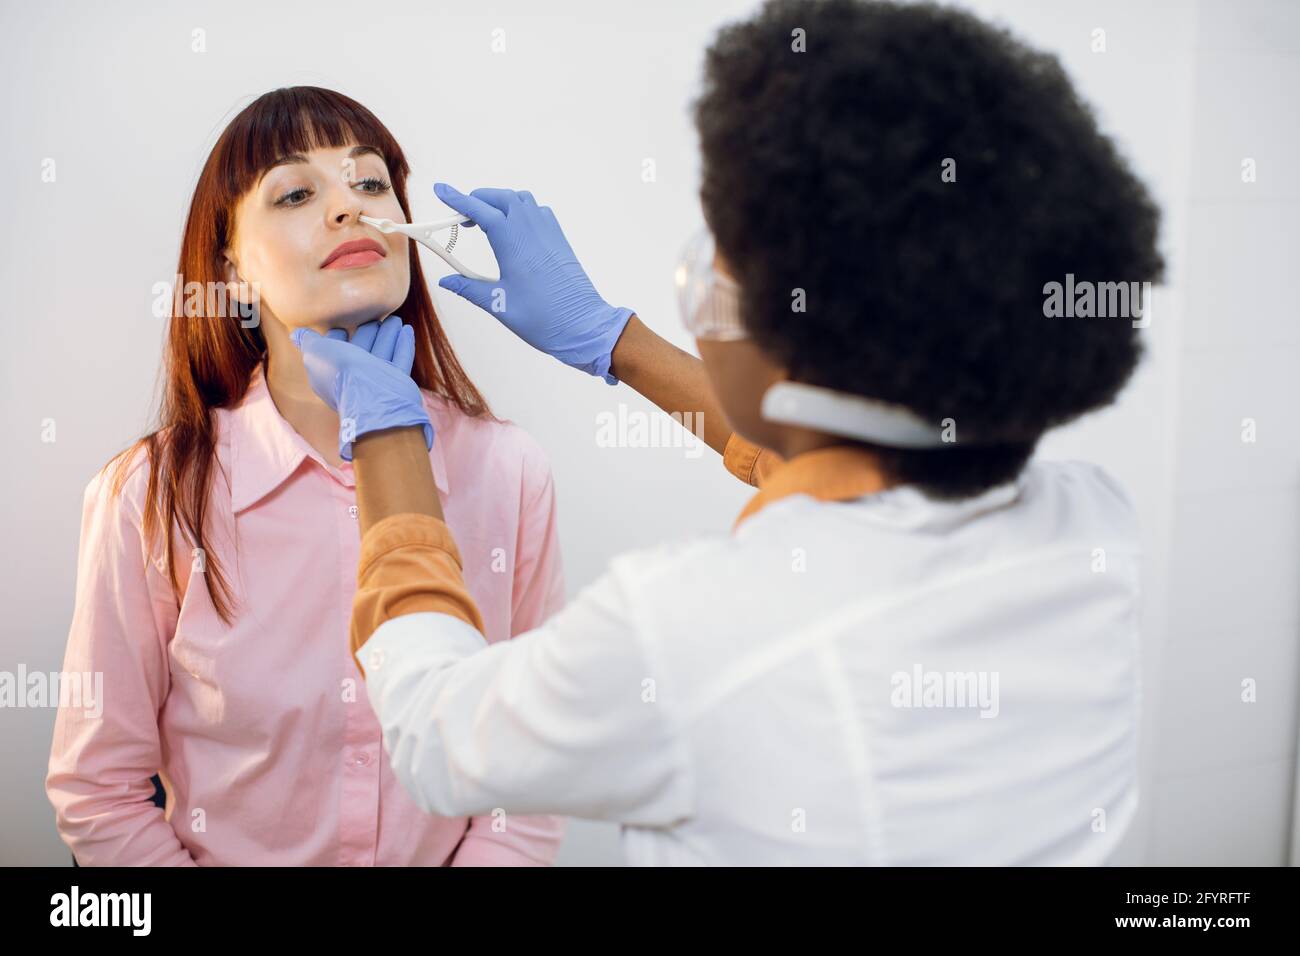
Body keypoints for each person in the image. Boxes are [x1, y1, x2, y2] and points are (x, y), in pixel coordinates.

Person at [300, 0, 1164, 865]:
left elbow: (437, 736)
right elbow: (851, 462)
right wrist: (613, 339)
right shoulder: (1095, 528)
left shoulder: (686, 630)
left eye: (729, 253)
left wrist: (385, 437)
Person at [47, 87, 566, 866]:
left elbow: (526, 778)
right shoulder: (148, 495)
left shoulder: (509, 469)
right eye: (296, 193)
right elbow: (100, 795)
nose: (348, 210)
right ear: (230, 264)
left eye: (369, 184)